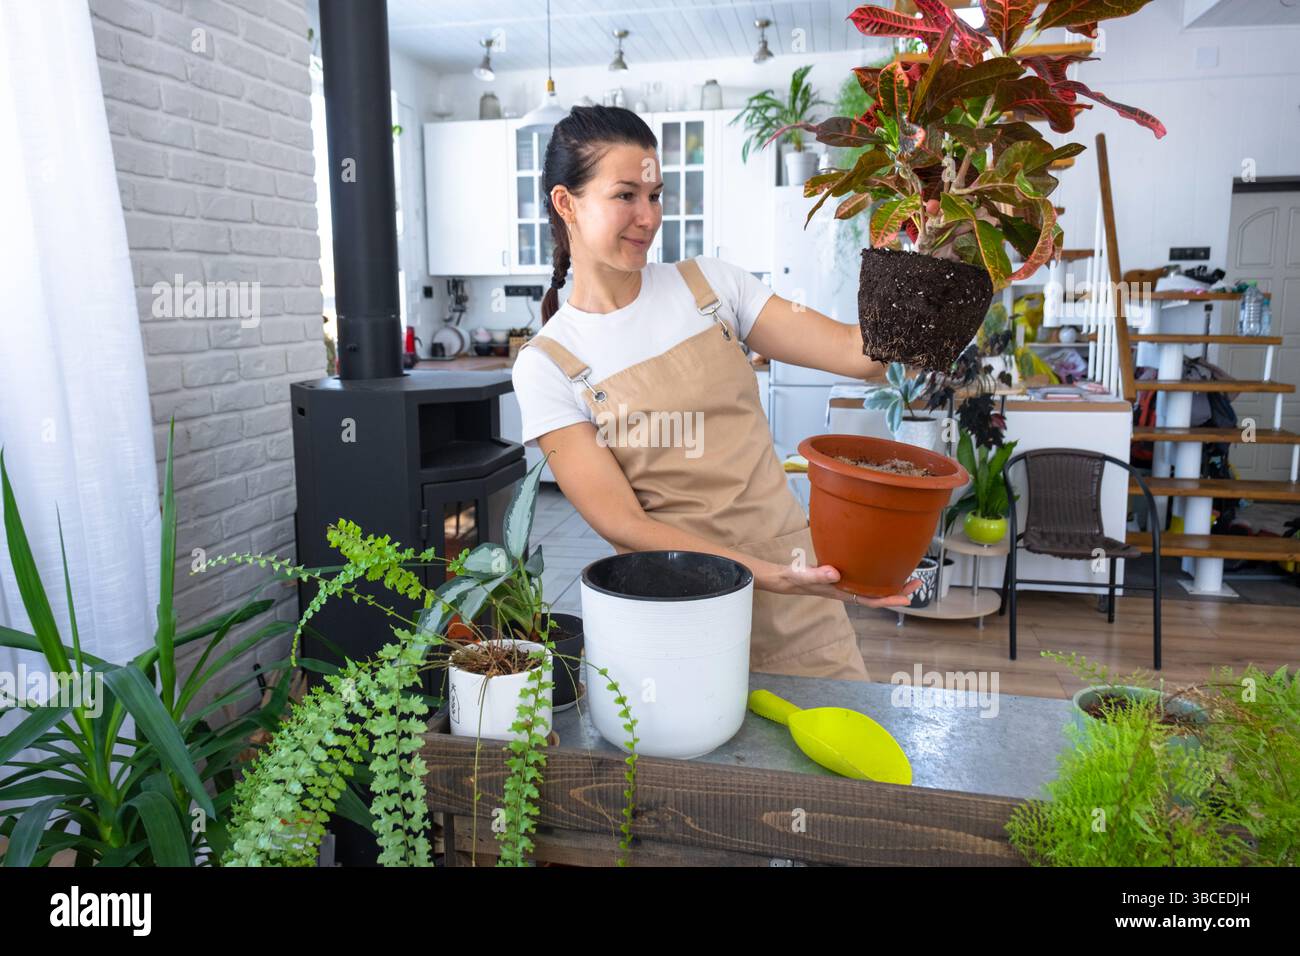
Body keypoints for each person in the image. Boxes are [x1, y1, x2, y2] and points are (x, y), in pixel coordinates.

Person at [511, 105, 916, 681]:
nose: (647, 217)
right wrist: (762, 573)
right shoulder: (548, 364)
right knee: (701, 771)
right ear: (565, 203)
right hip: (676, 609)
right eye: (625, 195)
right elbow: (623, 522)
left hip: (796, 594)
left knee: (842, 765)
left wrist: (938, 244)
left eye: (655, 195)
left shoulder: (710, 287)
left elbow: (863, 357)